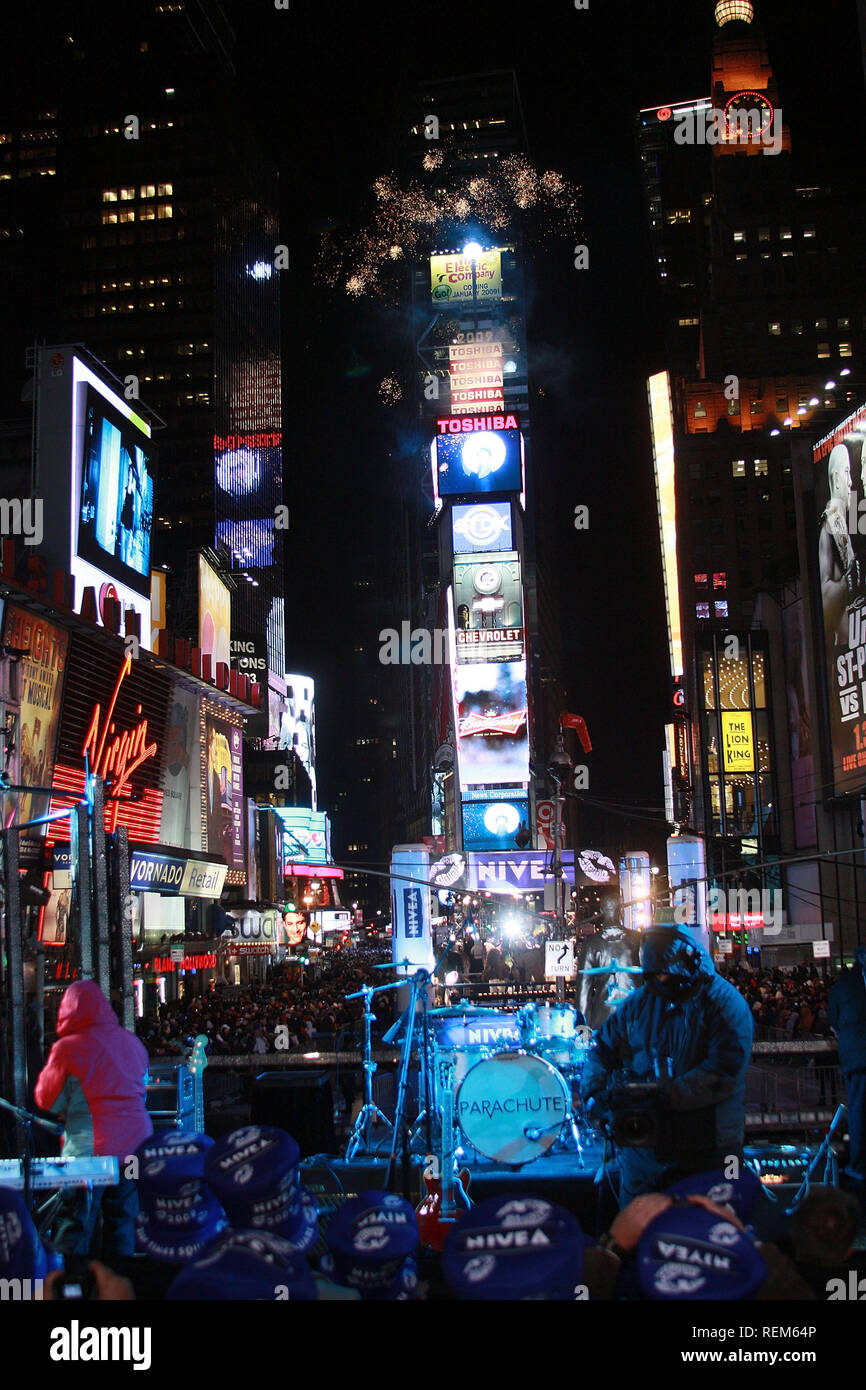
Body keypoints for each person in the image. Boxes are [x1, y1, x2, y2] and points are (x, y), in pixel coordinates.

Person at [580, 926, 754, 1207]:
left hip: (711, 1146)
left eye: (664, 974)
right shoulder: (640, 1003)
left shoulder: (725, 1004)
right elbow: (602, 1049)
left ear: (689, 963)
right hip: (646, 1151)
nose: (660, 982)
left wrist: (663, 1096)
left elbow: (723, 1072)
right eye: (653, 976)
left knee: (709, 1231)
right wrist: (594, 1094)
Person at [34, 979, 153, 1258]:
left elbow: (45, 1098)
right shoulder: (130, 1041)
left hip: (90, 1151)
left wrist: (70, 1106)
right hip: (135, 1148)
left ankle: (74, 1284)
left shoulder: (68, 1048)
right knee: (123, 1220)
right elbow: (141, 1088)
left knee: (77, 1222)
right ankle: (117, 1282)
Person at [828, 946, 866, 1186]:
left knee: (859, 1111)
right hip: (857, 1055)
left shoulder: (841, 987)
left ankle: (859, 1165)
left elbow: (834, 1025)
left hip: (856, 1058)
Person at [577, 890, 642, 1030]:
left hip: (604, 1018)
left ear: (601, 910)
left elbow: (584, 991)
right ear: (621, 909)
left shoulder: (591, 944)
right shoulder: (638, 939)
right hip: (636, 1017)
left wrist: (583, 1029)